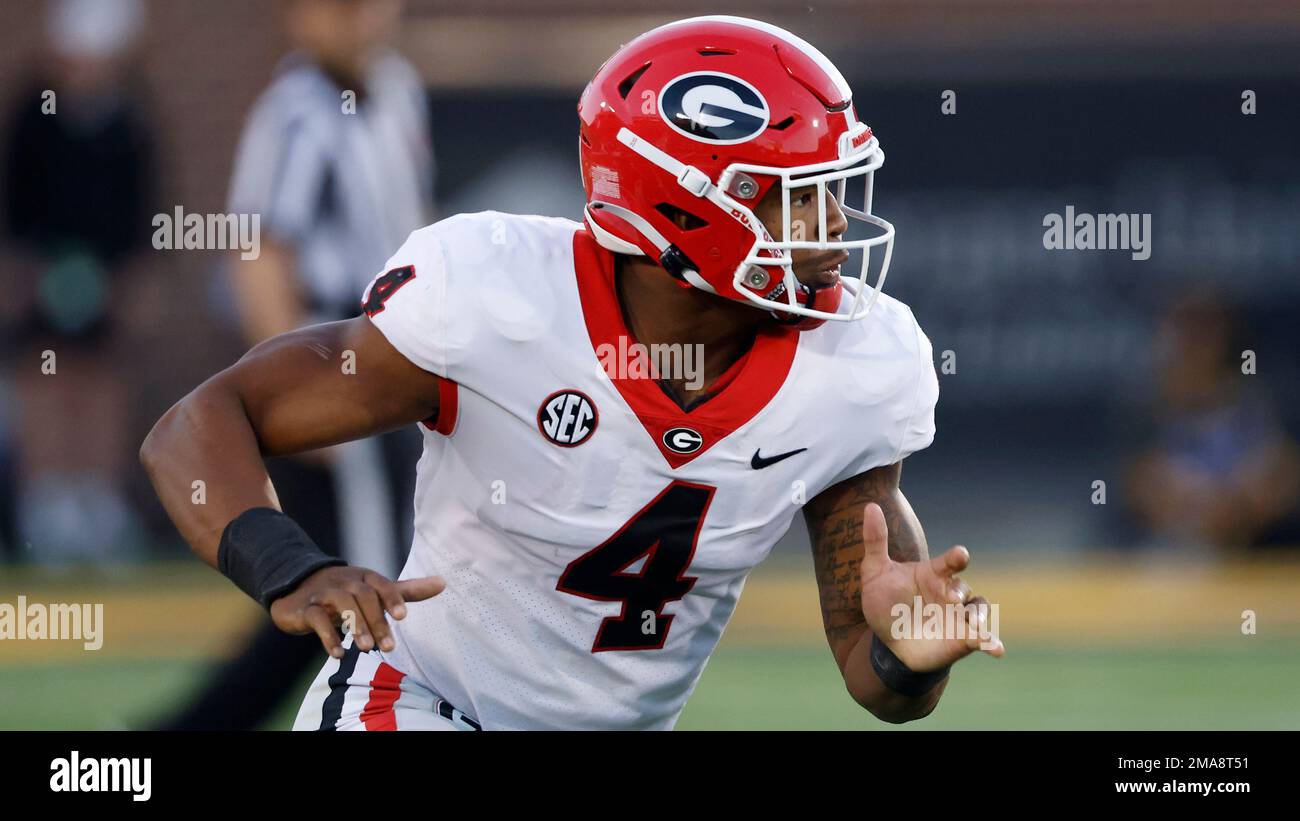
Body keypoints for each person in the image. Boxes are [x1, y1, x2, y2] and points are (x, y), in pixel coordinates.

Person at [142, 15, 1002, 731]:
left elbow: (873, 670)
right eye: (797, 195)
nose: (834, 226)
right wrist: (288, 565)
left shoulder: (853, 367)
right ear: (687, 205)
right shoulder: (497, 298)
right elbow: (201, 421)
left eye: (834, 190)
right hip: (421, 704)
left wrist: (905, 653)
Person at [154, 0, 434, 730]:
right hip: (337, 367)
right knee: (369, 581)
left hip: (399, 360)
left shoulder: (396, 88)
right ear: (300, 15)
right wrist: (309, 407)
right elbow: (261, 255)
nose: (359, 22)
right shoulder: (294, 112)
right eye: (339, 8)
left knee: (332, 585)